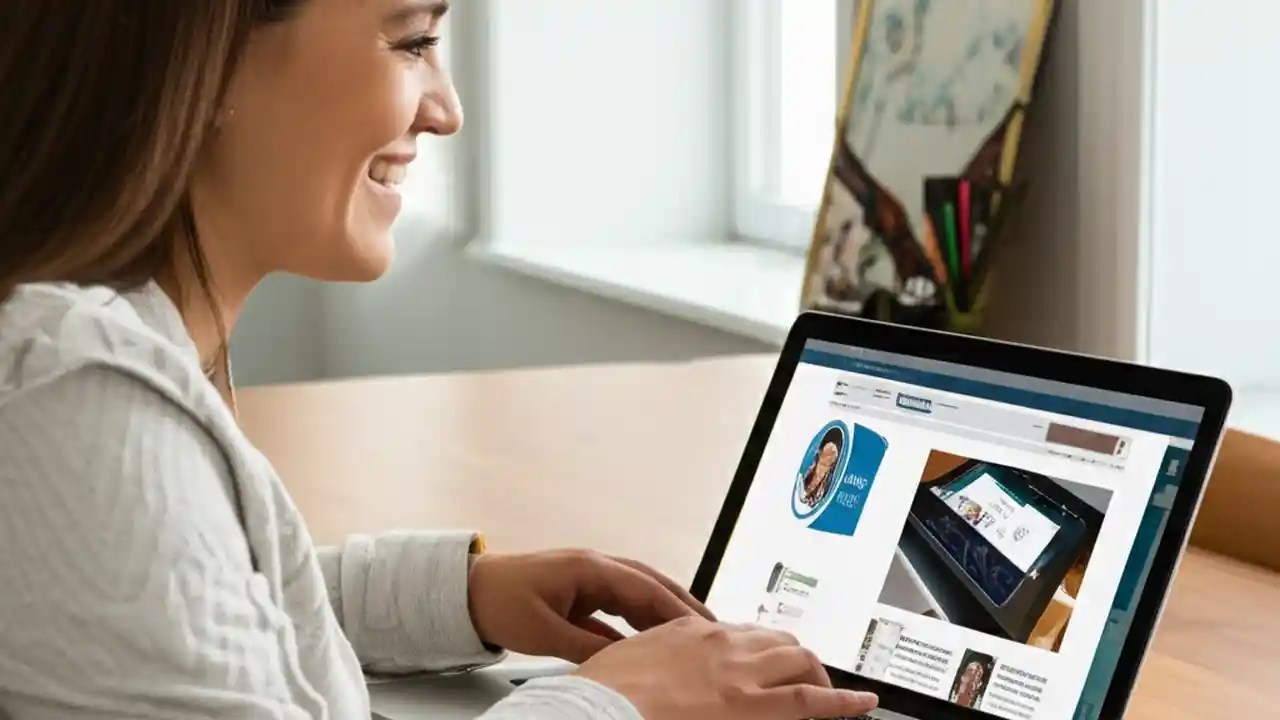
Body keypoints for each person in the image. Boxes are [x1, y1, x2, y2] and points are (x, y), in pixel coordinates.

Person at [0, 3, 879, 720]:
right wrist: (619, 705)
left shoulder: (106, 361)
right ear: (213, 55)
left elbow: (205, 600)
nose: (447, 108)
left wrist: (456, 597)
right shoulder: (78, 400)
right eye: (413, 41)